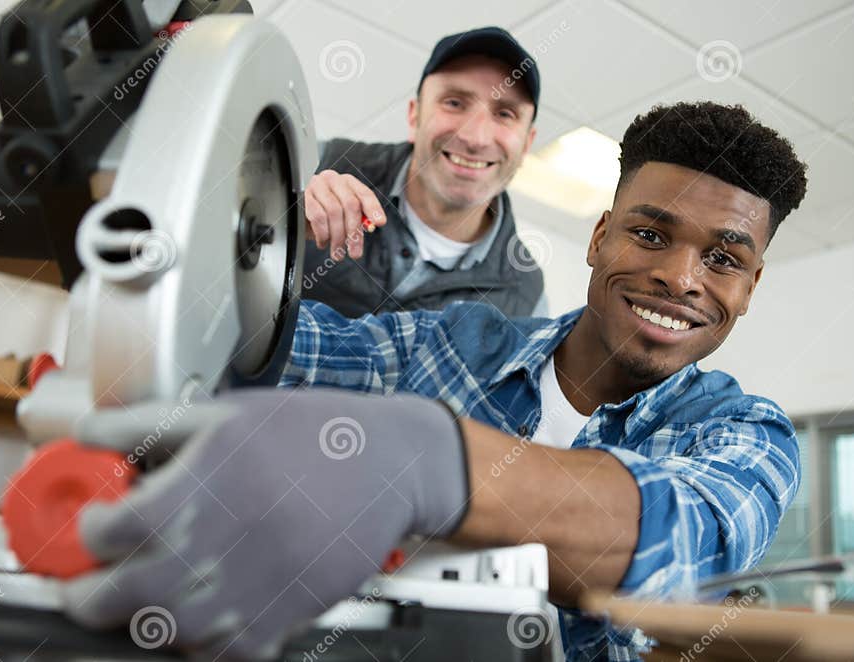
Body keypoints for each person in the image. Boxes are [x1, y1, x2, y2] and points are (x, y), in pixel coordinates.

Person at [62, 101, 809, 661]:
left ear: (752, 283)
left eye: (724, 259)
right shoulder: (449, 342)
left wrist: (427, 458)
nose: (679, 278)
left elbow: (691, 540)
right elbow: (242, 344)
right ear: (598, 235)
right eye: (649, 235)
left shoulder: (746, 434)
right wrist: (257, 227)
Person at [302, 27, 546, 318]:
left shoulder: (527, 299)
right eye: (454, 103)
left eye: (505, 114)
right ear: (414, 115)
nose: (476, 137)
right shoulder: (318, 161)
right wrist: (280, 212)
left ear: (527, 143)